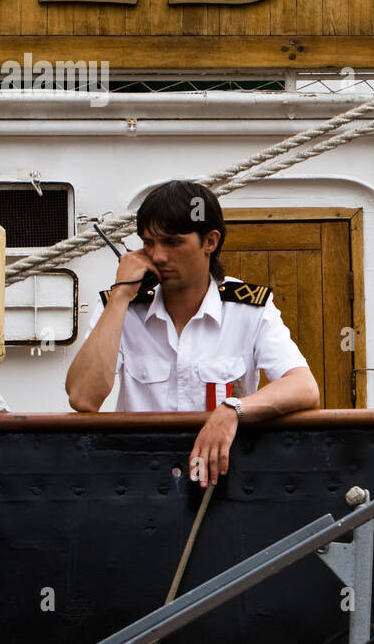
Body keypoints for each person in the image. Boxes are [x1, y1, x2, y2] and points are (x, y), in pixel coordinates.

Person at [65, 180, 320, 485]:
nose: (157, 256)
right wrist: (120, 296)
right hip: (140, 482)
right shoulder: (120, 307)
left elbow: (304, 387)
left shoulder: (248, 308)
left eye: (172, 242)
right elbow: (83, 398)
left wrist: (232, 410)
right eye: (148, 243)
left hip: (221, 480)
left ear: (210, 241)